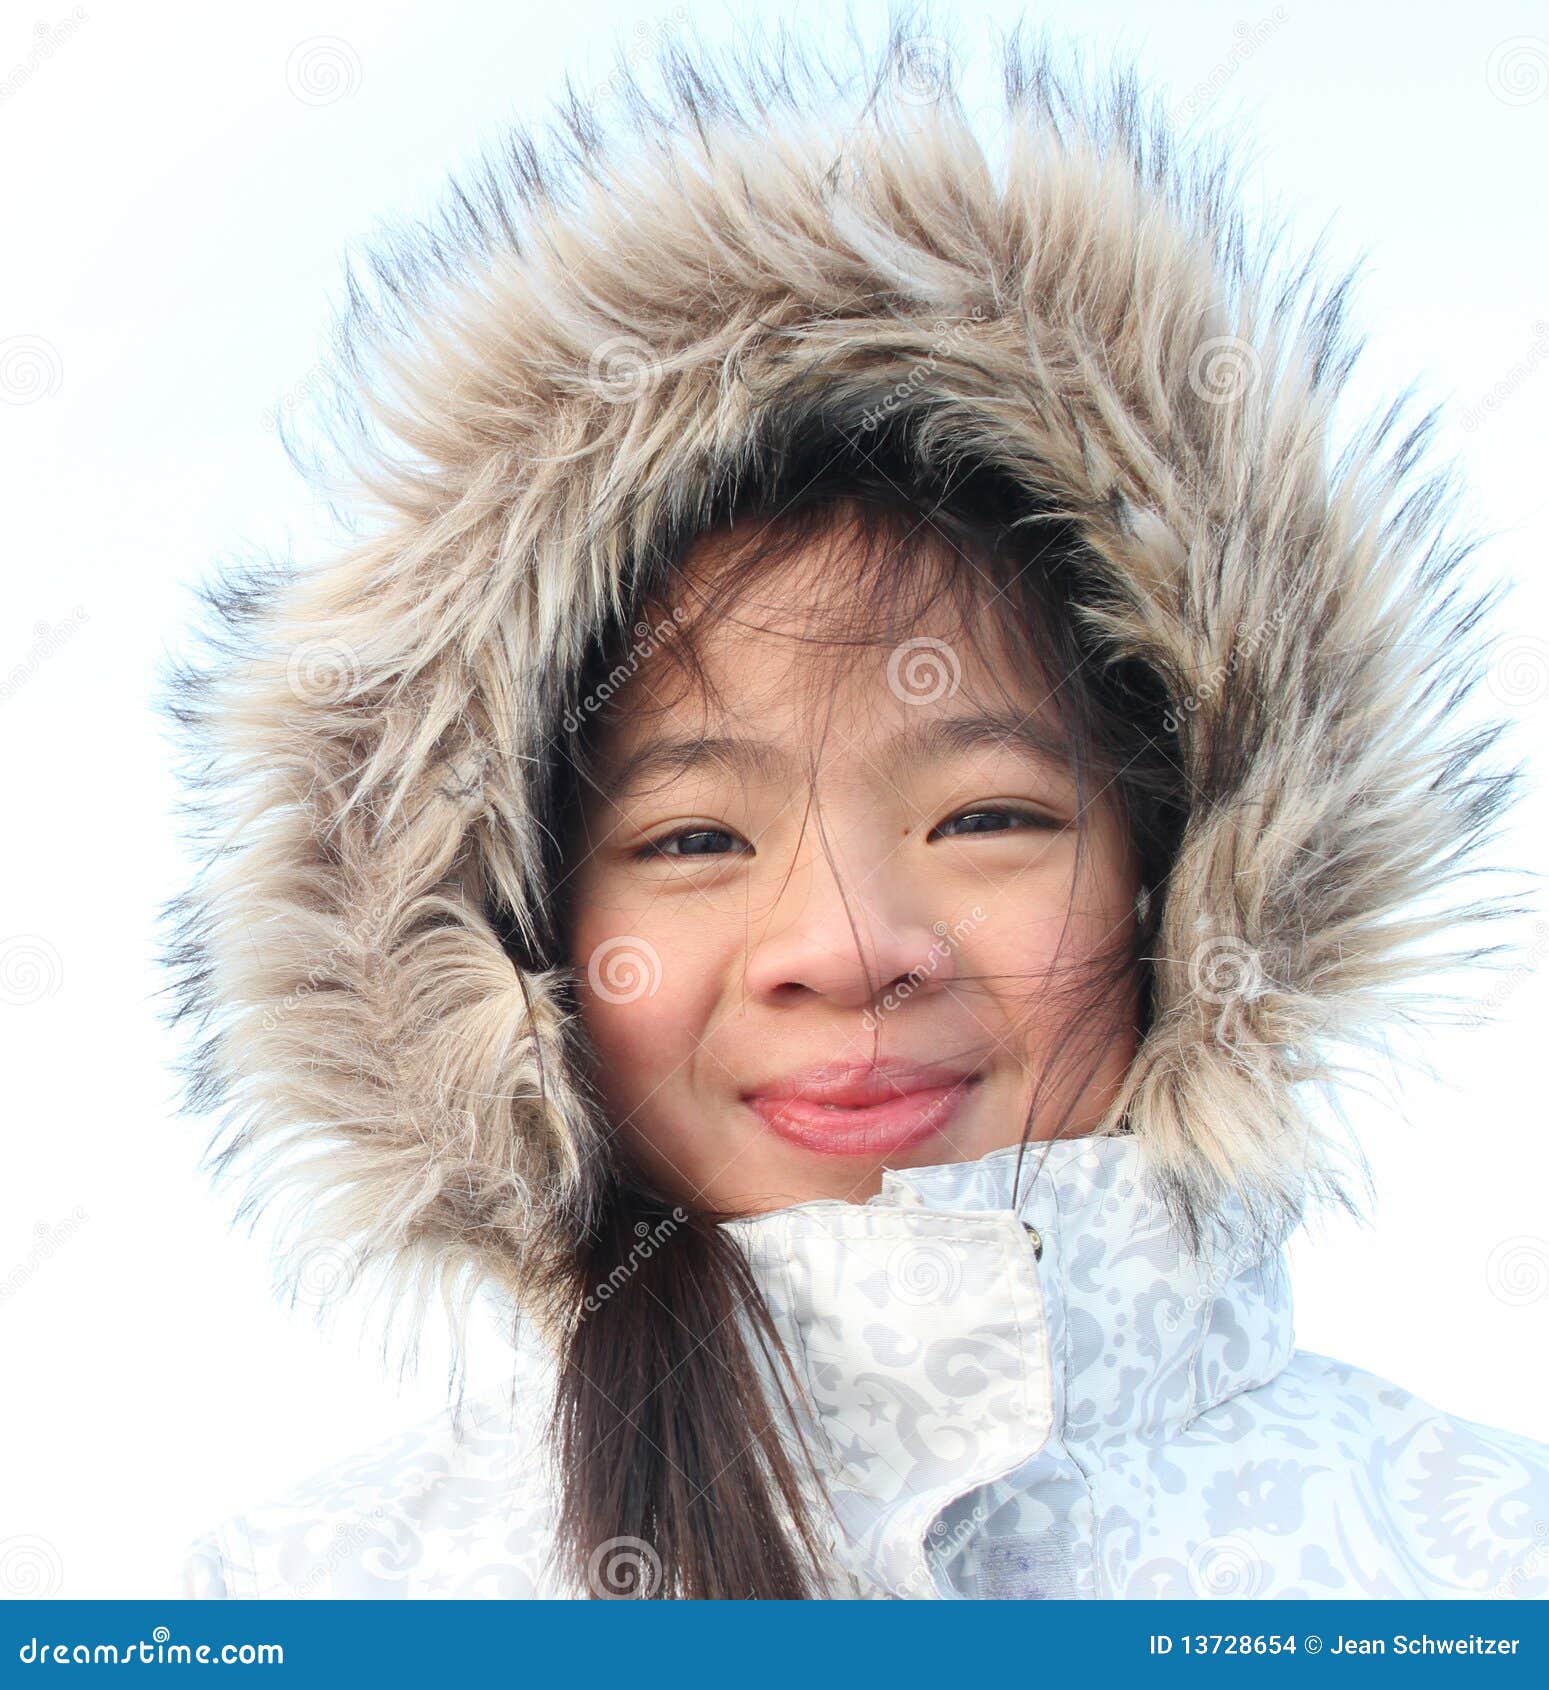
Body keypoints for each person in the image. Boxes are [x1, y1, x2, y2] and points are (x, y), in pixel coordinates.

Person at [166, 23, 1549, 1600]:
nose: (844, 946)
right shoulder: (300, 1598)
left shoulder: (1482, 1566)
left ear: (1183, 880)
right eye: (694, 839)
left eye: (985, 818)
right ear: (512, 945)